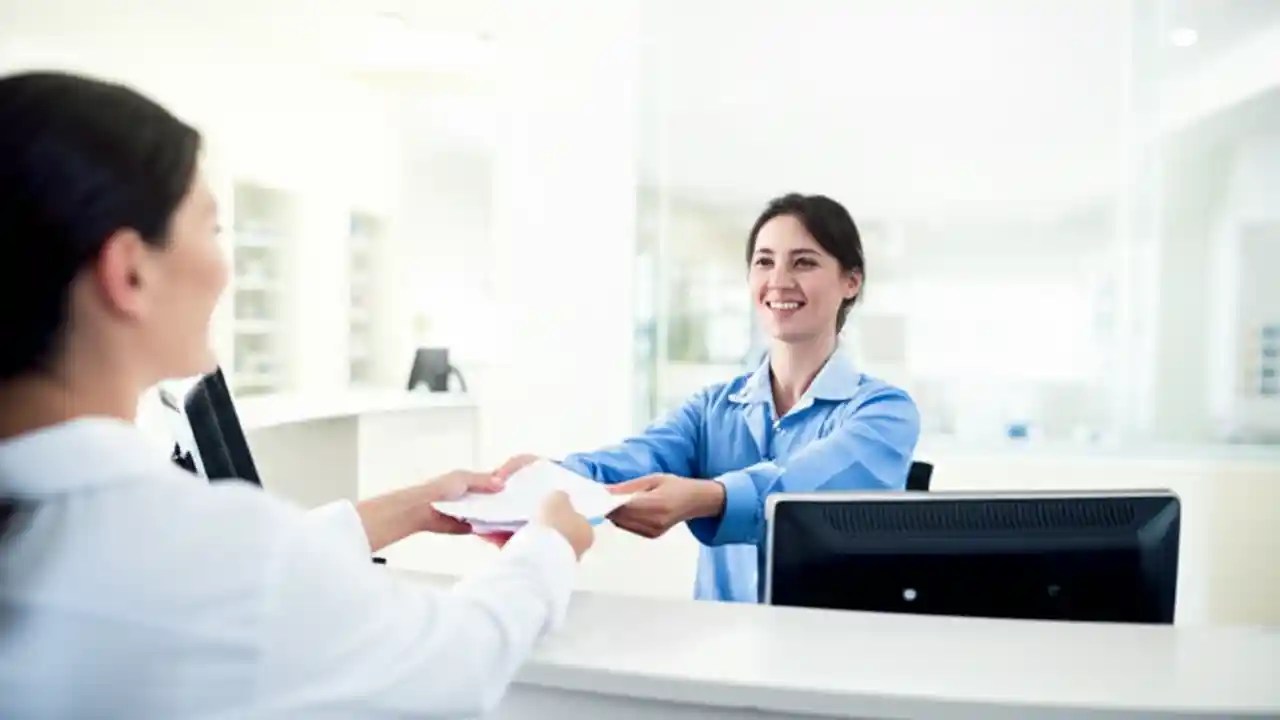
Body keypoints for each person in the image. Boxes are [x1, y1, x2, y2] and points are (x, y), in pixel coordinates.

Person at [0, 71, 594, 718]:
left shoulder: (125, 544)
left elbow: (230, 577)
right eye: (213, 230)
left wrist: (405, 508)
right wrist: (550, 546)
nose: (226, 269)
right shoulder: (193, 554)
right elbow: (453, 667)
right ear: (130, 271)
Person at [495, 193, 920, 604]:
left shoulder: (884, 412)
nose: (778, 280)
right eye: (764, 262)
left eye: (803, 262)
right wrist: (556, 476)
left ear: (851, 281)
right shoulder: (712, 408)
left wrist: (708, 498)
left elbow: (804, 493)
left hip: (830, 652)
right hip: (723, 650)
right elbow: (637, 458)